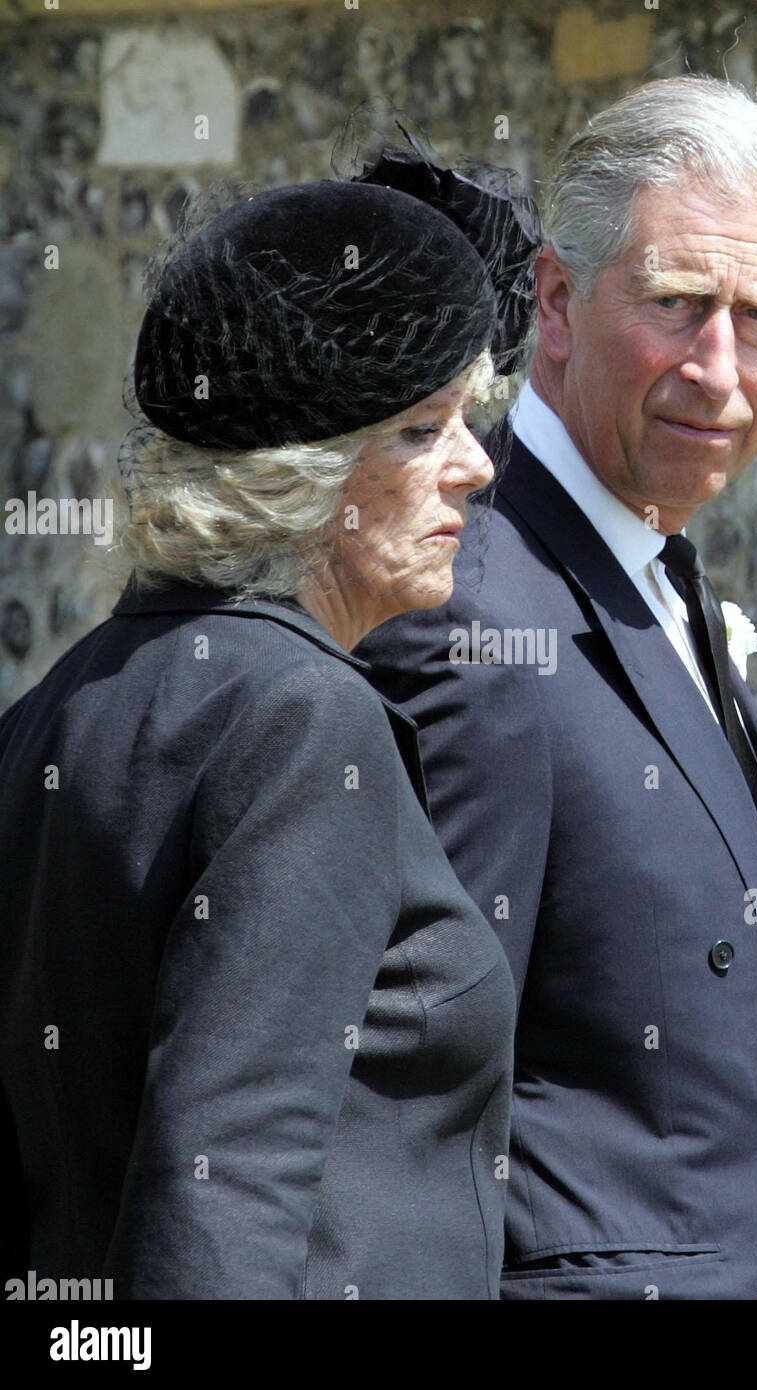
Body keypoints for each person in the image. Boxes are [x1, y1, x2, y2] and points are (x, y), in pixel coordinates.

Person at [355, 74, 757, 1298]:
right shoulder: (466, 605)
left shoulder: (650, 567)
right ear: (554, 301)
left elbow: (585, 1057)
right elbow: (403, 1097)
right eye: (677, 304)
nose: (716, 369)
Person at [0, 145, 540, 1299]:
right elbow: (224, 1183)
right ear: (302, 474)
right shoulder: (305, 720)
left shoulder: (58, 705)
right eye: (420, 428)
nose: (473, 468)